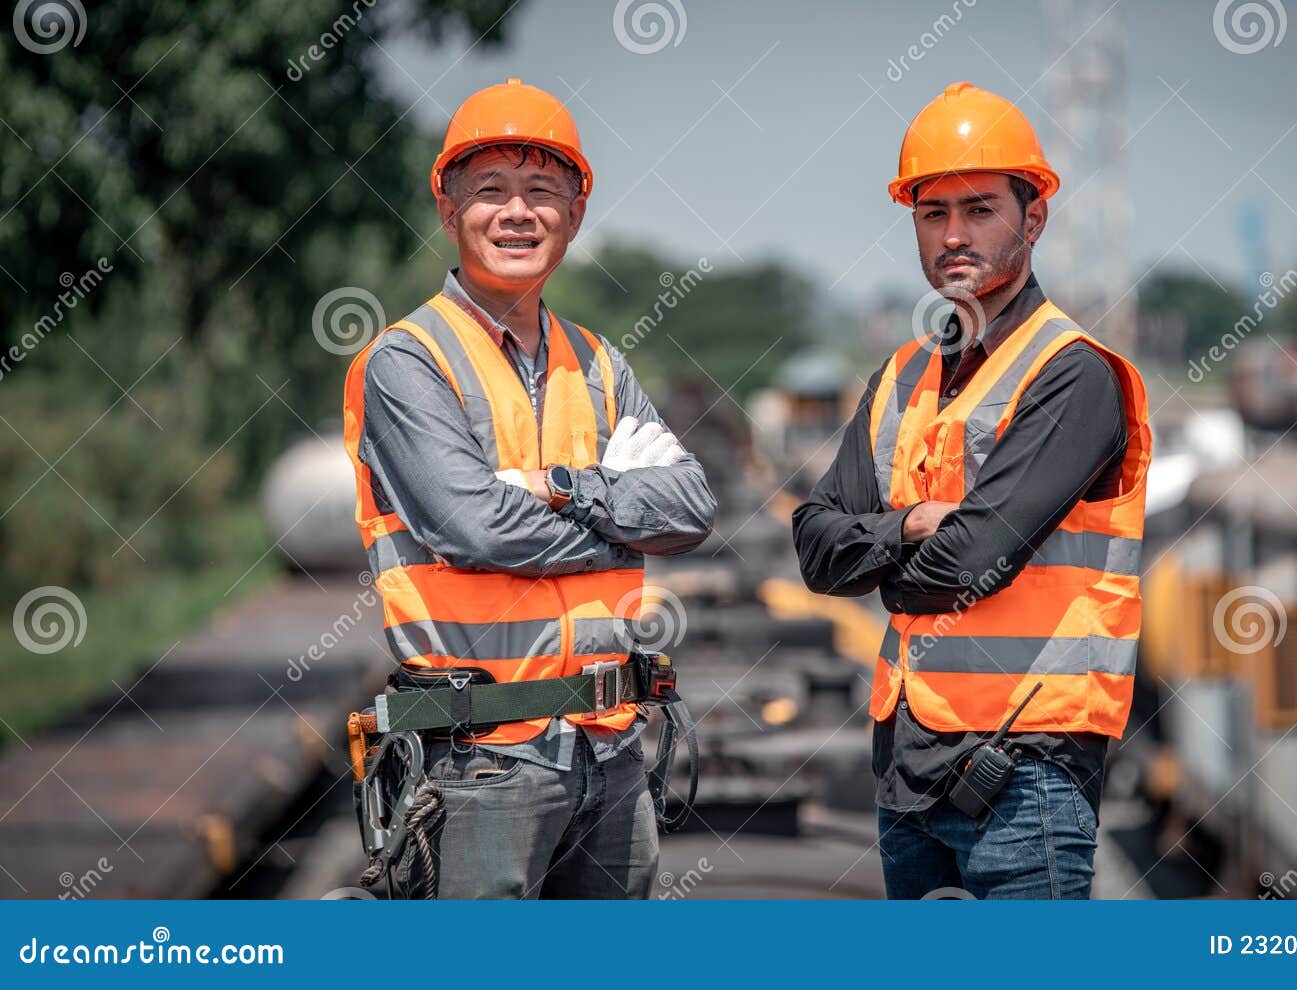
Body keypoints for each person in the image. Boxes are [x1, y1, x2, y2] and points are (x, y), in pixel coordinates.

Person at [341, 79, 715, 899]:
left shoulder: (600, 363)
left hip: (613, 752)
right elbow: (473, 528)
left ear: (575, 215)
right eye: (491, 192)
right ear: (448, 210)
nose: (518, 212)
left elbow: (691, 507)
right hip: (481, 761)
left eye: (543, 192)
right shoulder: (407, 362)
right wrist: (620, 519)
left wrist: (553, 486)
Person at [791, 82, 1151, 900]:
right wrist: (915, 522)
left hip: (1027, 778)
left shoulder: (1074, 374)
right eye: (932, 212)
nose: (954, 235)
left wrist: (883, 558)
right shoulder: (901, 377)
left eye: (980, 209)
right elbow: (814, 545)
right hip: (908, 770)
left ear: (1035, 216)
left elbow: (968, 564)